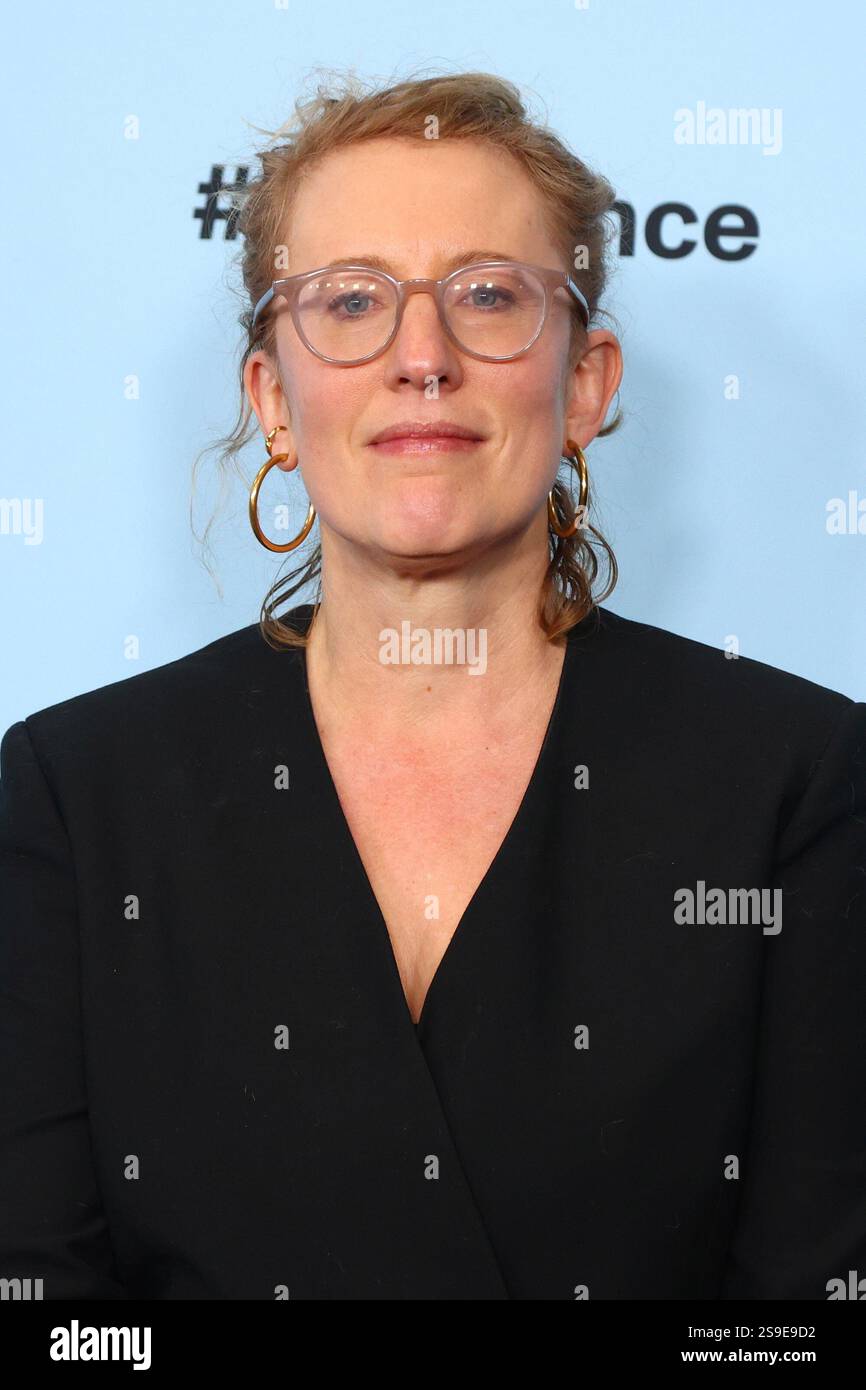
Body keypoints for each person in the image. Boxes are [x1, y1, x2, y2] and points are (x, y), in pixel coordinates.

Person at [1, 70, 864, 1301]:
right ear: (271, 400)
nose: (422, 357)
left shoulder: (796, 780)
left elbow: (808, 1316)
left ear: (583, 385)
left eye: (487, 297)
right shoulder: (75, 795)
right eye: (349, 301)